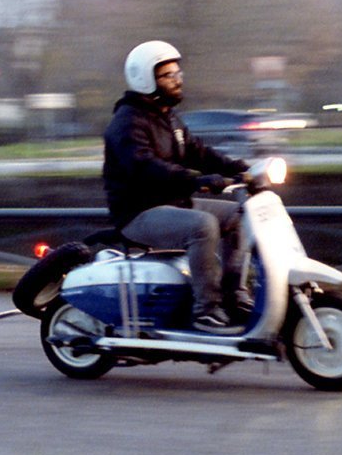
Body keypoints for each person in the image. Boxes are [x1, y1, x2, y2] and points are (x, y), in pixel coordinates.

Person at [102, 40, 251, 333]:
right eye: (169, 75)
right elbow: (145, 167)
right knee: (203, 225)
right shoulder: (128, 122)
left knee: (242, 214)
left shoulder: (168, 117)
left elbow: (198, 152)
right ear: (146, 79)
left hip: (174, 202)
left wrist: (237, 168)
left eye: (178, 73)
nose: (178, 80)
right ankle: (205, 311)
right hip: (138, 212)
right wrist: (195, 180)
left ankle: (234, 294)